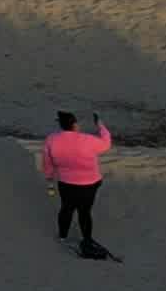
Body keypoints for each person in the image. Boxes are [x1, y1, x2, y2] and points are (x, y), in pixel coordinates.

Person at [40, 110, 113, 257]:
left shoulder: (51, 140)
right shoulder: (88, 139)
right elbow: (106, 144)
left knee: (66, 208)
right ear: (74, 124)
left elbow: (47, 164)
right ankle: (86, 238)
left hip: (66, 183)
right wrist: (100, 124)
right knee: (85, 212)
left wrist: (49, 181)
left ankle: (62, 236)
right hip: (90, 184)